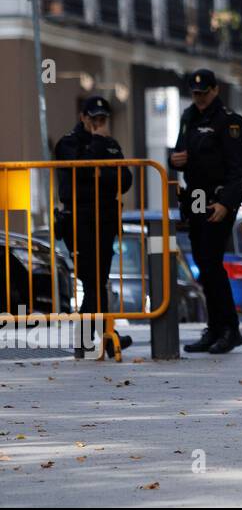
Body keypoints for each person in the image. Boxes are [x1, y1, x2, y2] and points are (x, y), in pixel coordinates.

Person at [172, 69, 242, 355]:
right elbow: (182, 153)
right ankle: (215, 327)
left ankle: (229, 328)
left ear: (215, 90)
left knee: (212, 263)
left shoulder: (230, 122)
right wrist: (175, 160)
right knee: (203, 264)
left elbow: (240, 170)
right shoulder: (188, 117)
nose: (200, 98)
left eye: (204, 93)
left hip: (217, 197)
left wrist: (226, 203)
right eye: (195, 94)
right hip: (195, 196)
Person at [55, 95, 134, 356]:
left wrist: (103, 173)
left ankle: (91, 339)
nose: (99, 124)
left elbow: (124, 179)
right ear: (83, 118)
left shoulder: (111, 144)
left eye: (103, 120)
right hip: (79, 221)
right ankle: (96, 338)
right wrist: (98, 153)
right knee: (92, 280)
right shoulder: (68, 143)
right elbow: (81, 172)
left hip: (106, 220)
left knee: (98, 281)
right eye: (95, 119)